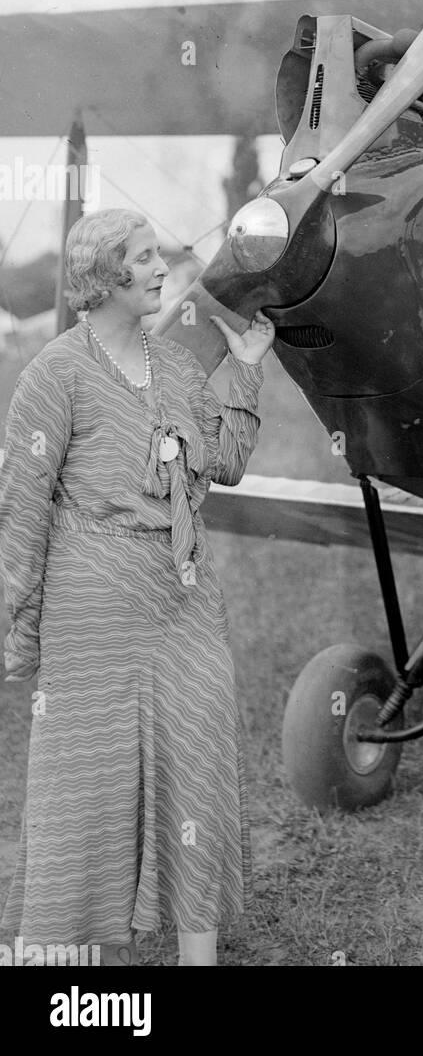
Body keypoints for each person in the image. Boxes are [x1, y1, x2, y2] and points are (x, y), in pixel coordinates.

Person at [0, 208, 275, 966]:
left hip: (185, 600)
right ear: (104, 275)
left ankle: (199, 959)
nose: (163, 268)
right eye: (145, 257)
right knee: (87, 786)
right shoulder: (54, 373)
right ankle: (72, 966)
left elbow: (225, 463)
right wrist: (15, 628)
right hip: (91, 607)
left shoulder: (181, 367)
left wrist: (248, 364)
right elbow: (22, 506)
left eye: (160, 255)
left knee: (200, 766)